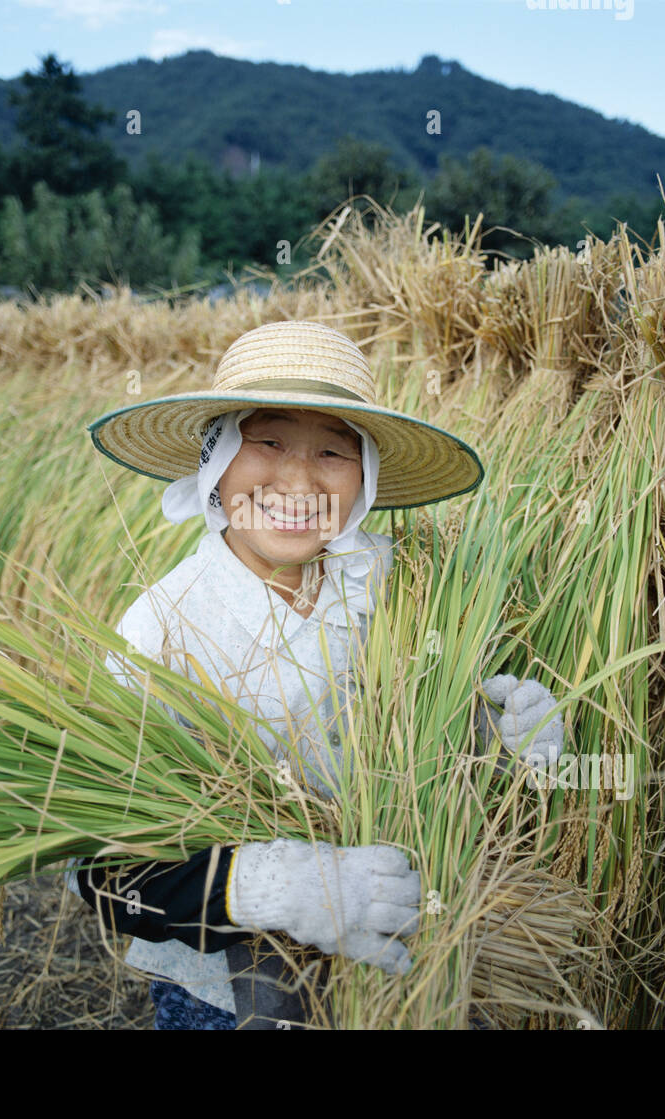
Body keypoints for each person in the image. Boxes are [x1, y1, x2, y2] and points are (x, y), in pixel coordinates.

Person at [74, 320, 563, 1029]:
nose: (298, 480)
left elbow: (430, 757)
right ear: (217, 457)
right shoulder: (161, 627)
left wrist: (502, 735)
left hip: (407, 961)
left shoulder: (396, 590)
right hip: (222, 984)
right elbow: (103, 874)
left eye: (333, 450)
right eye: (268, 440)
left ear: (364, 474)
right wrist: (274, 886)